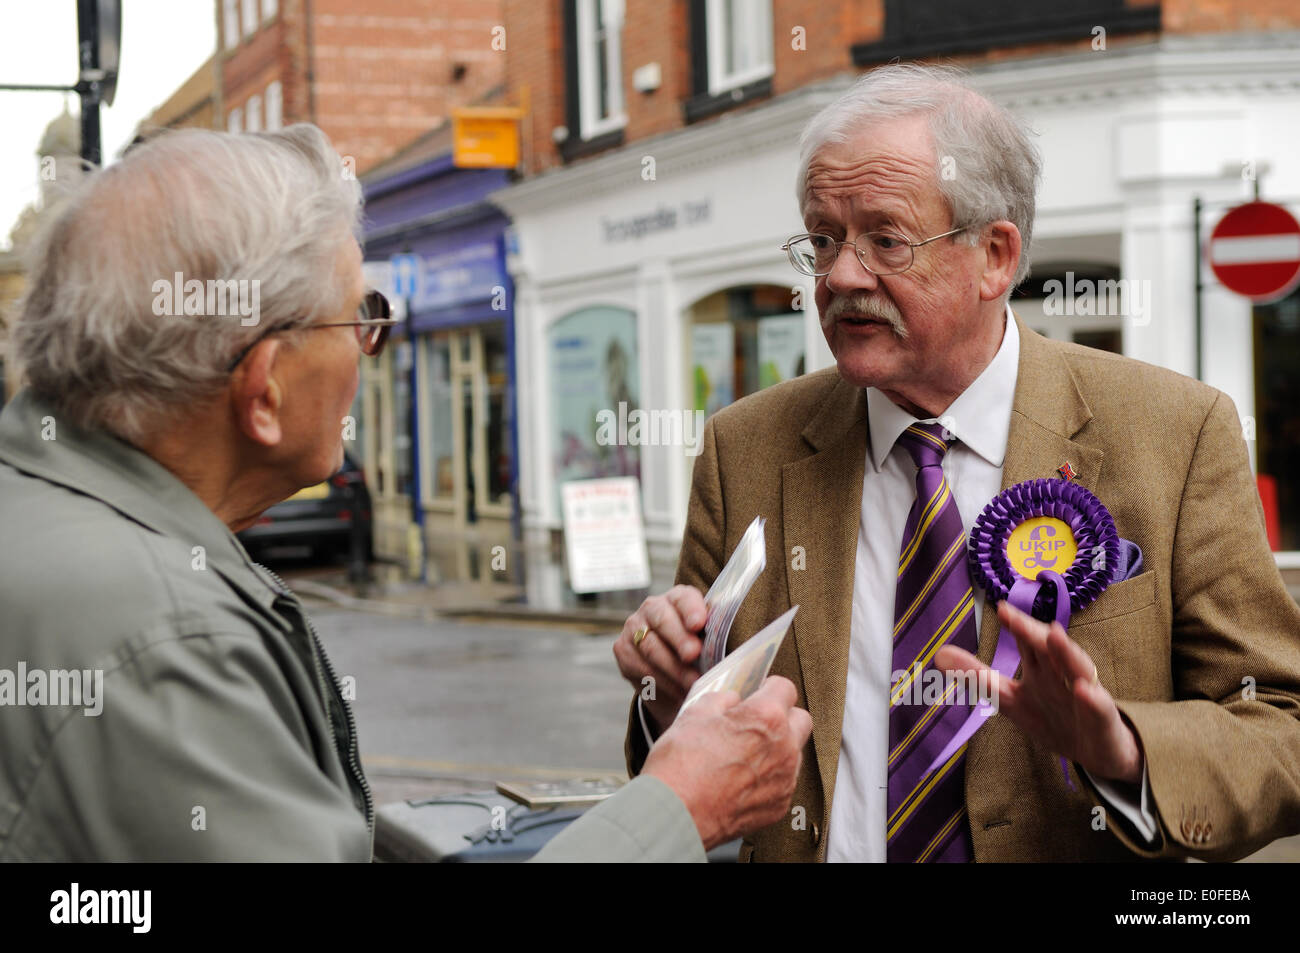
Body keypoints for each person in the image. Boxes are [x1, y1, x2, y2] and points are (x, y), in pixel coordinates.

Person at [0, 124, 811, 862]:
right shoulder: (169, 639)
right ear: (265, 390)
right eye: (360, 314)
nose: (370, 347)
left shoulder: (57, 516)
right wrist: (678, 805)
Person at [615, 63, 1300, 862]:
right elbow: (692, 747)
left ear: (995, 257)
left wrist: (1125, 749)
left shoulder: (1176, 433)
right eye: (824, 240)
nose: (840, 275)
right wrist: (666, 692)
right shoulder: (745, 447)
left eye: (886, 240)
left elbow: (1280, 727)